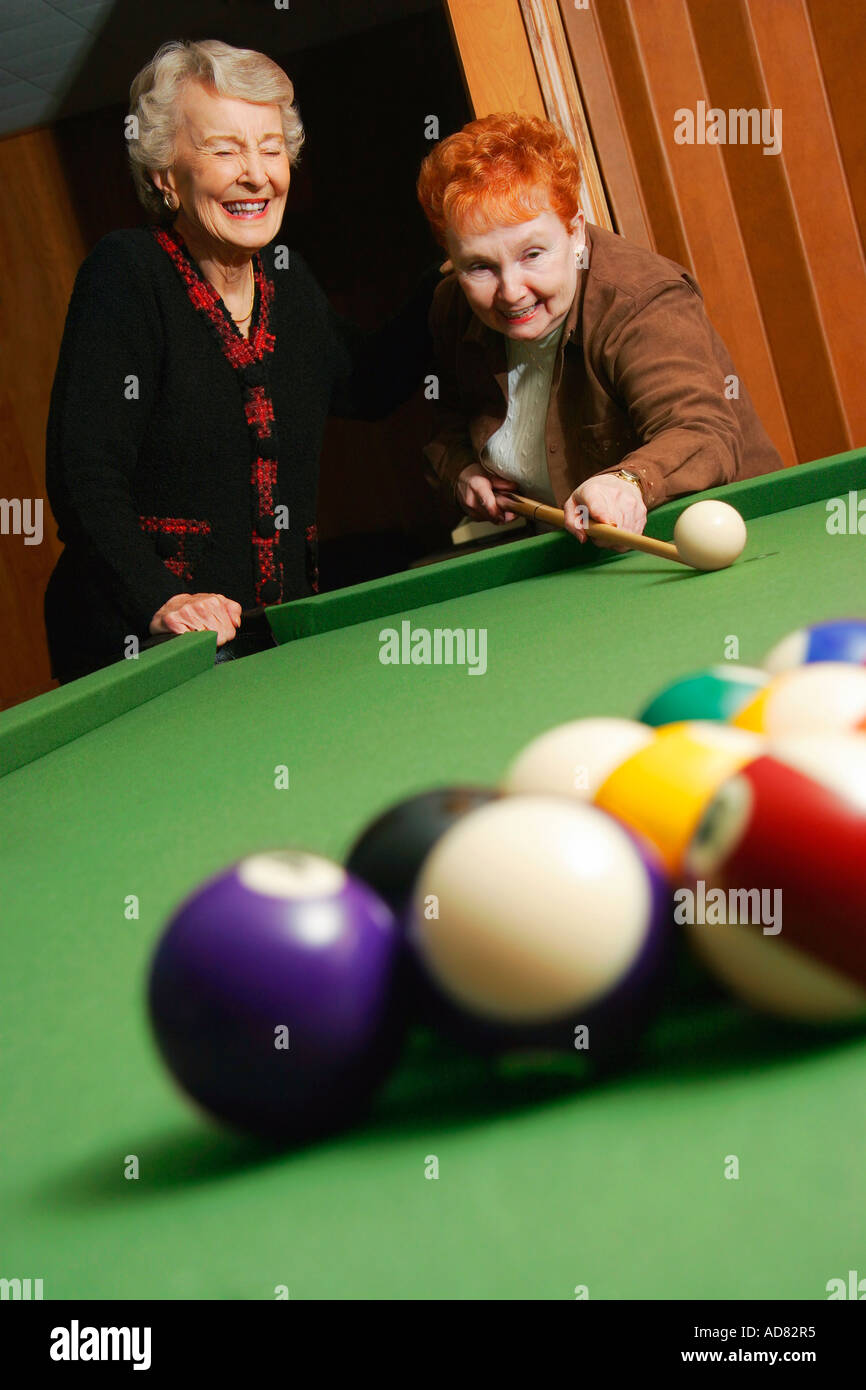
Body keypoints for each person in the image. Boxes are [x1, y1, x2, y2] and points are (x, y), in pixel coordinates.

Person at [45, 39, 439, 683]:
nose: (255, 173)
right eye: (224, 150)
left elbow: (363, 384)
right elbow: (83, 471)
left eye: (271, 148)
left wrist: (452, 280)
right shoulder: (128, 274)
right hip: (139, 646)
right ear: (164, 176)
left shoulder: (286, 277)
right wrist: (161, 598)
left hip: (265, 633)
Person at [416, 113, 782, 546]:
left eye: (532, 254)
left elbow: (702, 432)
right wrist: (462, 471)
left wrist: (628, 481)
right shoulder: (452, 308)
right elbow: (447, 423)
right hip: (577, 559)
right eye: (479, 266)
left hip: (722, 540)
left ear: (574, 234)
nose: (511, 292)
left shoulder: (639, 300)